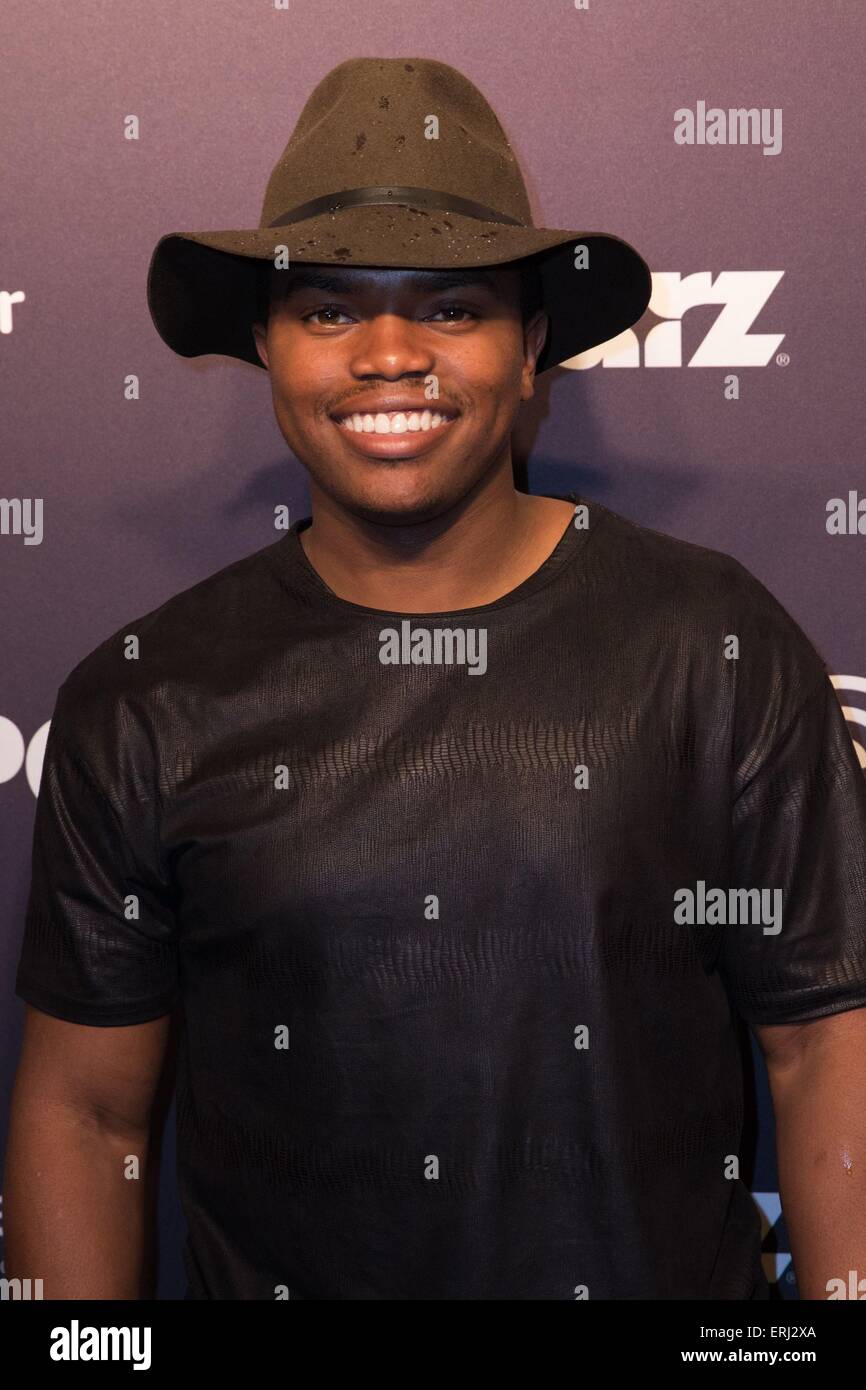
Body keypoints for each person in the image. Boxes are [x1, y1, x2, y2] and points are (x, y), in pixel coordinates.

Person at [6, 56, 866, 1301]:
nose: (389, 353)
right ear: (264, 346)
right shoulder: (146, 697)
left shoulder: (710, 642)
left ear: (532, 354)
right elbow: (88, 1119)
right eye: (330, 309)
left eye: (452, 307)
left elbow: (821, 1042)